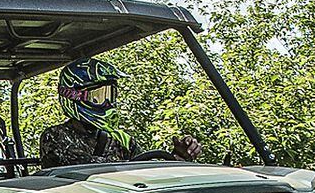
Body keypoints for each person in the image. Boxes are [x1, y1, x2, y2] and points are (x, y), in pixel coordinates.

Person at [39, 58, 201, 168]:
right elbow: (88, 169)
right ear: (74, 96)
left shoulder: (122, 140)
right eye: (99, 96)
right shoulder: (54, 136)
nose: (108, 103)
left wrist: (177, 158)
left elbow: (147, 172)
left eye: (110, 94)